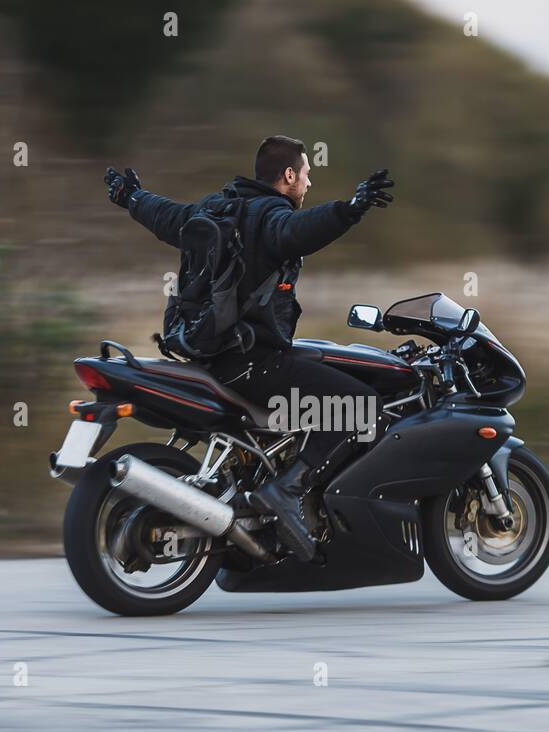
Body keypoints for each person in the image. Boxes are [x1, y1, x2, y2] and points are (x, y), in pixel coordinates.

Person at [104, 135, 394, 561]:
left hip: (207, 354)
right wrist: (348, 211)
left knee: (310, 386)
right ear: (289, 175)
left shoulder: (215, 209)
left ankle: (260, 490)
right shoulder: (271, 216)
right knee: (360, 404)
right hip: (250, 363)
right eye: (307, 176)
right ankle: (287, 489)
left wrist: (131, 196)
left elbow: (165, 215)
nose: (309, 185)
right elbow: (298, 232)